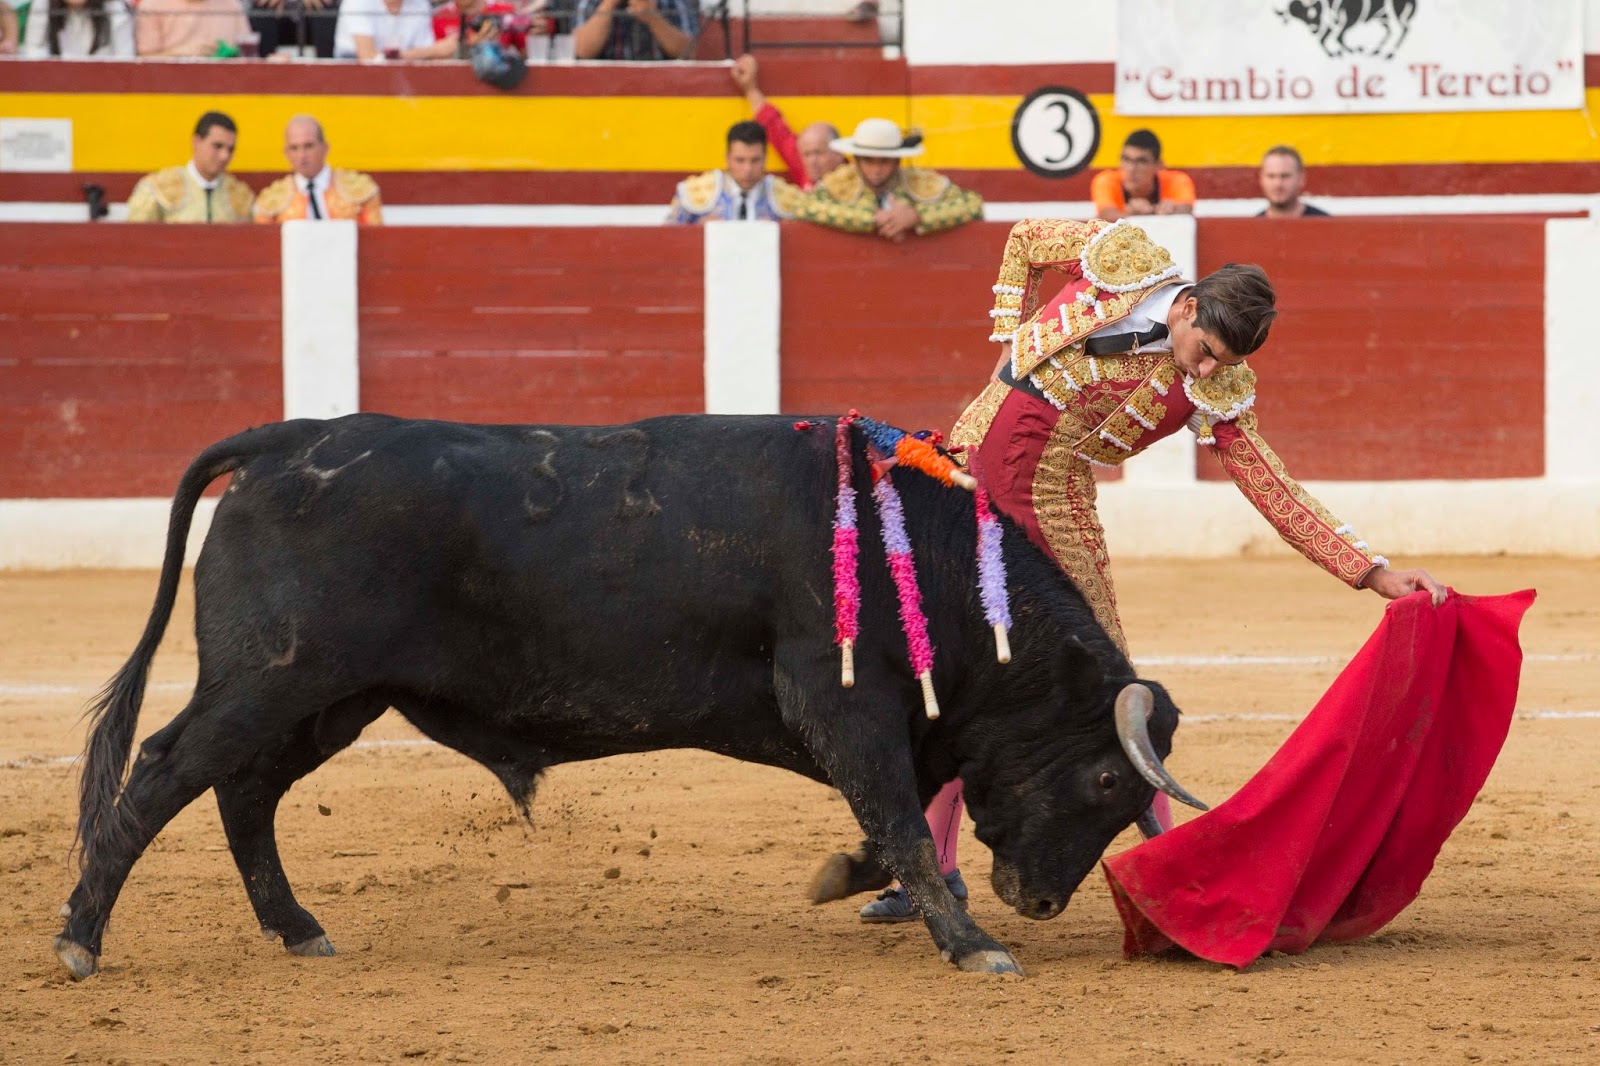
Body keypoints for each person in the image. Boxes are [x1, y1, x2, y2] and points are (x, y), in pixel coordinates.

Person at [840, 217, 1445, 922]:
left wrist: (1370, 571)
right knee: (944, 675)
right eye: (1206, 351)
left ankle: (1178, 873)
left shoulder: (1218, 389)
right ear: (1187, 308)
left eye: (1221, 363)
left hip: (1050, 507)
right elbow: (1028, 239)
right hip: (964, 479)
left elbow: (1269, 485)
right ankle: (933, 875)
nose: (1207, 371)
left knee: (1110, 687)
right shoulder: (1120, 260)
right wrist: (1008, 334)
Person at [787, 117, 983, 242]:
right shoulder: (840, 183)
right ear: (856, 160)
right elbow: (801, 205)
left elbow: (973, 205)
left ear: (897, 160)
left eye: (885, 161)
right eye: (868, 161)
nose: (876, 170)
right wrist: (870, 218)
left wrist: (917, 216)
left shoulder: (920, 182)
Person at [729, 53, 844, 192]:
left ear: (839, 153)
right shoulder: (804, 167)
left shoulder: (854, 181)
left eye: (819, 153)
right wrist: (751, 89)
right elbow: (776, 130)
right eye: (807, 154)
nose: (812, 162)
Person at [126, 111, 255, 224]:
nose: (224, 156)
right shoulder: (157, 188)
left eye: (230, 149)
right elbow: (137, 238)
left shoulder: (241, 196)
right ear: (196, 141)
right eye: (217, 146)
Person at [251, 115, 383, 225]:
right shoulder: (270, 200)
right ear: (287, 153)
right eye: (294, 148)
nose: (302, 155)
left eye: (308, 146)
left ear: (325, 148)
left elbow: (376, 240)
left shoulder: (360, 189)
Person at [666, 120, 799, 224]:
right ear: (727, 158)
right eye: (740, 160)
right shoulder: (695, 193)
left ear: (765, 158)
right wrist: (697, 231)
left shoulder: (786, 199)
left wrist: (782, 231)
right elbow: (669, 237)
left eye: (755, 160)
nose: (748, 169)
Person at [1090, 129, 1196, 221]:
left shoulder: (1177, 180)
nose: (1131, 168)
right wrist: (1132, 215)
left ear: (1158, 165)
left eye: (1141, 161)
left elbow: (1186, 209)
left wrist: (1173, 210)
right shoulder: (1106, 180)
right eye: (1126, 159)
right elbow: (1106, 214)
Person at [571, 0, 694, 61]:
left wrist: (652, 18)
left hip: (662, 87)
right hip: (605, 89)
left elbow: (686, 52)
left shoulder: (672, 2)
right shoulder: (591, 2)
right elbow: (582, 51)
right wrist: (609, 4)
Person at [134, 0, 251, 57]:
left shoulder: (231, 4)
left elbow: (248, 51)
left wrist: (229, 54)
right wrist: (183, 56)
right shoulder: (152, 5)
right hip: (171, 88)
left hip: (226, 86)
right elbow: (144, 59)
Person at [20, 0, 134, 55]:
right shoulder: (43, 4)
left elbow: (125, 57)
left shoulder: (114, 6)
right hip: (55, 86)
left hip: (104, 87)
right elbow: (33, 53)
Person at [331, 0, 435, 60]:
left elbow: (425, 56)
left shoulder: (420, 4)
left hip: (403, 74)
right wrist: (428, 52)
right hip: (352, 71)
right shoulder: (358, 2)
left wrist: (424, 53)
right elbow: (367, 57)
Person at [248, 0, 339, 59]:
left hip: (312, 12)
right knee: (262, 8)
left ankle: (327, 65)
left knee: (326, 9)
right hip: (277, 12)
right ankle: (264, 65)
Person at [1258, 145, 1330, 218]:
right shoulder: (1253, 224)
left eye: (1285, 176)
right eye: (1271, 176)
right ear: (1261, 179)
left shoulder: (1325, 222)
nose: (1278, 184)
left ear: (1301, 179)